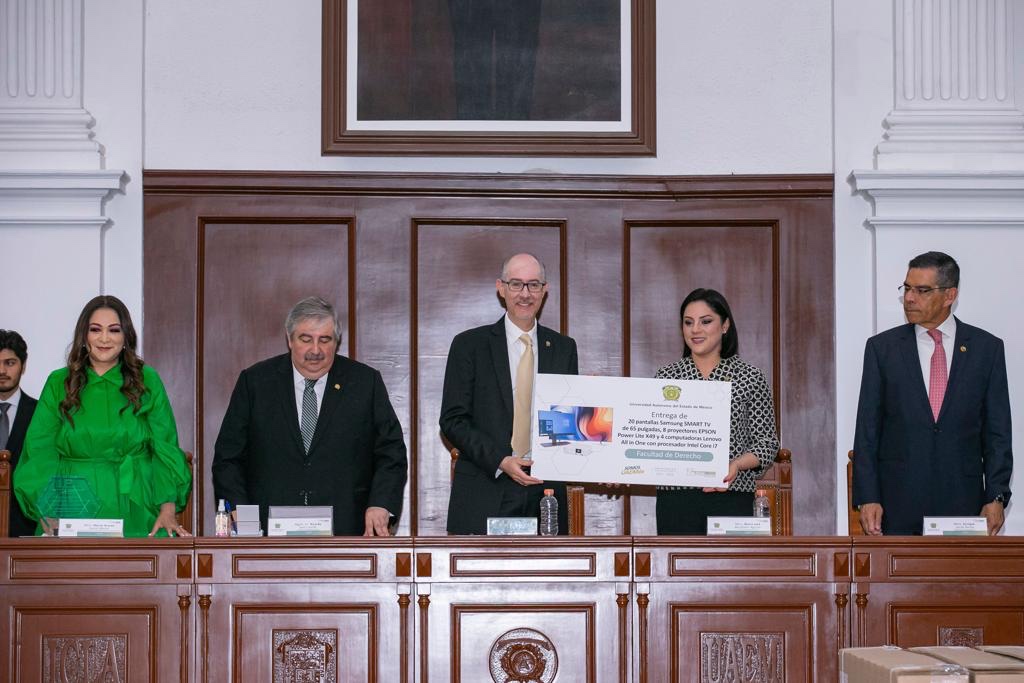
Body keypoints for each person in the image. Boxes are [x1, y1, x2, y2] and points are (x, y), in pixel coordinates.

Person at [212, 296, 407, 536]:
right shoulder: (256, 383)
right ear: (289, 338)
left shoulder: (365, 383)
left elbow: (391, 452)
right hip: (266, 534)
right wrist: (241, 513)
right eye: (306, 339)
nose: (316, 350)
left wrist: (381, 503)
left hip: (346, 531)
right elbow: (228, 458)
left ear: (336, 341)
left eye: (325, 340)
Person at [853, 252, 1012, 536]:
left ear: (950, 295)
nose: (910, 298)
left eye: (922, 290)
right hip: (897, 503)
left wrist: (996, 496)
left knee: (960, 581)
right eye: (907, 289)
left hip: (966, 504)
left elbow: (998, 433)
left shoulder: (986, 349)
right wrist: (867, 496)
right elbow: (867, 430)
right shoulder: (882, 349)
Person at [13, 297, 192, 537]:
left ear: (126, 337)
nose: (105, 339)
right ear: (84, 337)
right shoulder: (59, 382)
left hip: (136, 501)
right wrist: (46, 507)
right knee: (71, 573)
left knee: (141, 572)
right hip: (71, 502)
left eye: (114, 330)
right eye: (95, 330)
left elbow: (165, 446)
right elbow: (39, 449)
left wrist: (168, 508)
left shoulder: (147, 380)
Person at [440, 253, 579, 534]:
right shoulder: (469, 346)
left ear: (545, 290)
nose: (525, 294)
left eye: (534, 285)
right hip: (485, 488)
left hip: (545, 492)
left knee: (551, 578)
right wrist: (501, 461)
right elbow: (453, 420)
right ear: (501, 288)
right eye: (516, 284)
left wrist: (590, 403)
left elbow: (568, 421)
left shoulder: (564, 348)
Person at [654, 288, 780, 535]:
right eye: (688, 323)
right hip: (676, 501)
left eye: (706, 321)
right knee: (677, 572)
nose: (695, 330)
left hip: (733, 495)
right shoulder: (666, 377)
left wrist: (736, 464)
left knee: (732, 572)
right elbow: (651, 437)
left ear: (725, 326)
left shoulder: (750, 377)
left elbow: (767, 443)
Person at [1, 330, 38, 537]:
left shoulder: (41, 414)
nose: (2, 370)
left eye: (10, 363)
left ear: (23, 366)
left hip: (26, 531)